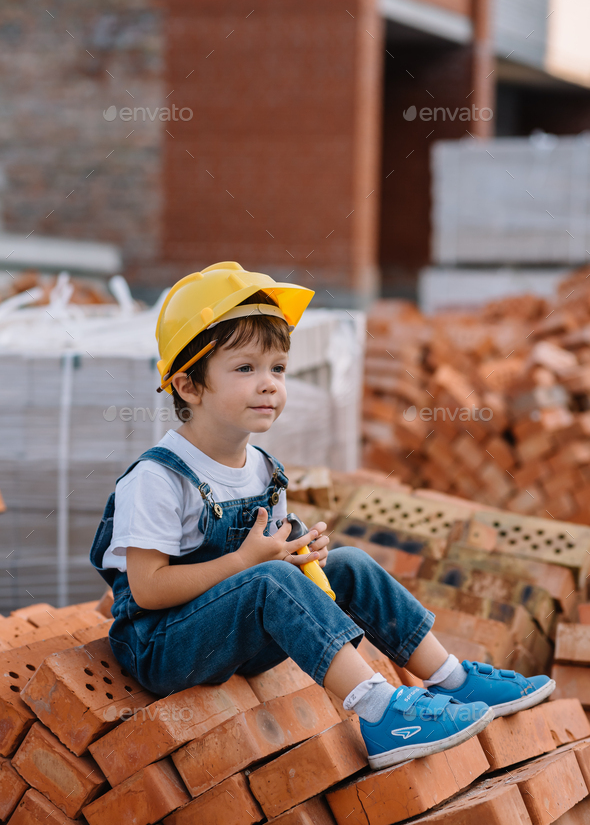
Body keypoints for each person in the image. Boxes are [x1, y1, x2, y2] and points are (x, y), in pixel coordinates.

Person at [90, 262, 555, 771]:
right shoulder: (159, 477)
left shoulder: (263, 470)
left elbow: (269, 570)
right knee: (267, 581)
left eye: (278, 368)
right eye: (245, 369)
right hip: (163, 647)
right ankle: (382, 715)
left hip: (235, 633)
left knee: (348, 565)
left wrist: (300, 558)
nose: (269, 385)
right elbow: (150, 588)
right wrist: (249, 561)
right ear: (188, 386)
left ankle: (454, 681)